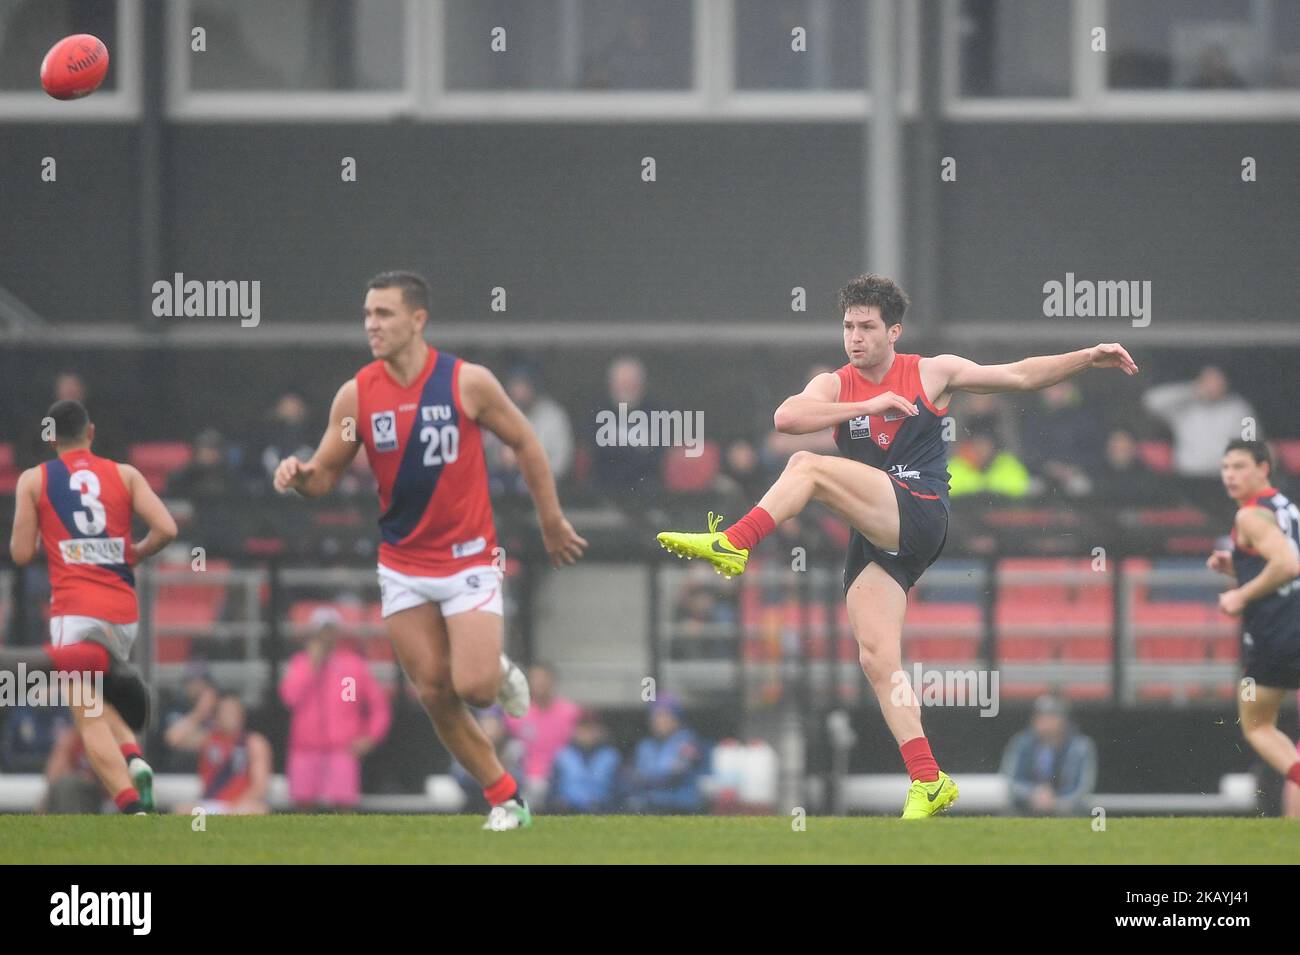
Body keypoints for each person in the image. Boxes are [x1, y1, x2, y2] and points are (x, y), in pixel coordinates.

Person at [657, 273, 1139, 818]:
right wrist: (866, 406)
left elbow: (1021, 375)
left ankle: (735, 543)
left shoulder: (931, 371)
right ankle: (929, 780)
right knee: (878, 660)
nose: (855, 337)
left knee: (807, 467)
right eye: (848, 326)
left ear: (894, 332)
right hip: (879, 531)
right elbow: (786, 418)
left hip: (920, 509)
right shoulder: (837, 384)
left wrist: (1088, 355)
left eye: (867, 327)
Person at [273, 270, 587, 831]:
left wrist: (552, 521)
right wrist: (300, 475)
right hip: (402, 565)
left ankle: (497, 671)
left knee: (475, 688)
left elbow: (525, 443)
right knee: (436, 694)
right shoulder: (357, 393)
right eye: (367, 314)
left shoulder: (468, 383)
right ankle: (506, 798)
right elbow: (323, 475)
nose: (372, 324)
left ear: (418, 320)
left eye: (384, 314)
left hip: (468, 556)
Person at [7, 398, 177, 814]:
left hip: (74, 611)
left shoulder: (35, 480)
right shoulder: (126, 474)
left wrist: (54, 539)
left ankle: (131, 806)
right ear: (91, 432)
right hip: (122, 611)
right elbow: (167, 529)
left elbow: (19, 553)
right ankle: (134, 758)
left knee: (85, 712)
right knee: (101, 698)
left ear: (52, 439)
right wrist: (134, 552)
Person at [1206, 440, 1300, 802]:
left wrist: (1239, 595)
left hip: (1275, 632)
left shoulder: (1249, 515)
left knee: (1257, 725)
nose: (1230, 475)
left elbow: (1288, 564)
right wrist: (1236, 567)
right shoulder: (1286, 507)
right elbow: (1281, 560)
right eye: (1226, 467)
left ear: (1264, 468)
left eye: (1240, 466)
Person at [279, 607, 392, 809]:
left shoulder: (352, 665)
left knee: (343, 807)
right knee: (302, 808)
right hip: (305, 749)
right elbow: (290, 698)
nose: (326, 637)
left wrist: (370, 737)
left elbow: (379, 707)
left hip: (342, 749)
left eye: (330, 631)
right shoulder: (301, 663)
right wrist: (312, 664)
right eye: (322, 632)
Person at [167, 692, 272, 815]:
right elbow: (173, 738)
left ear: (242, 715)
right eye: (225, 711)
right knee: (181, 810)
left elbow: (260, 786)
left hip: (240, 806)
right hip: (209, 804)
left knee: (258, 810)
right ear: (216, 716)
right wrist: (200, 712)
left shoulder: (254, 743)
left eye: (233, 711)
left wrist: (234, 808)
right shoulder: (207, 739)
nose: (230, 716)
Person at [1142, 366, 1257, 478]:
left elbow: (1251, 440)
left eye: (1217, 381)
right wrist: (1191, 391)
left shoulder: (1239, 409)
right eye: (1208, 381)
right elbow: (1151, 402)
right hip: (1187, 476)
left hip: (1223, 477)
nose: (1212, 386)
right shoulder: (1184, 406)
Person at [1000, 695, 1097, 816]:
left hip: (1065, 808)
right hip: (1028, 805)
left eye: (1049, 716)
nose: (1041, 721)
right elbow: (1010, 780)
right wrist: (1033, 794)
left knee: (1079, 812)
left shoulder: (1081, 746)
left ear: (1063, 720)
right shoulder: (1021, 743)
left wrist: (1056, 801)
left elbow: (1083, 786)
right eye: (1039, 716)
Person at [502, 662, 581, 802]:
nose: (540, 683)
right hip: (523, 774)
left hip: (558, 774)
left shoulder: (571, 712)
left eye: (544, 678)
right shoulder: (516, 713)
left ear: (553, 681)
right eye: (535, 679)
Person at [625, 697, 706, 814]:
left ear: (676, 719)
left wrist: (644, 778)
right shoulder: (646, 745)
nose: (659, 721)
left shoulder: (687, 741)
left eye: (665, 716)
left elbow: (673, 775)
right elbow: (633, 776)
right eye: (656, 716)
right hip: (651, 804)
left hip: (680, 805)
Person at [548, 710, 621, 813]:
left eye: (592, 728)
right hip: (568, 810)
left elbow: (618, 790)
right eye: (583, 728)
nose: (587, 733)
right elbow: (553, 789)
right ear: (575, 730)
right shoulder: (563, 756)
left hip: (601, 809)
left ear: (600, 730)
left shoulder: (611, 756)